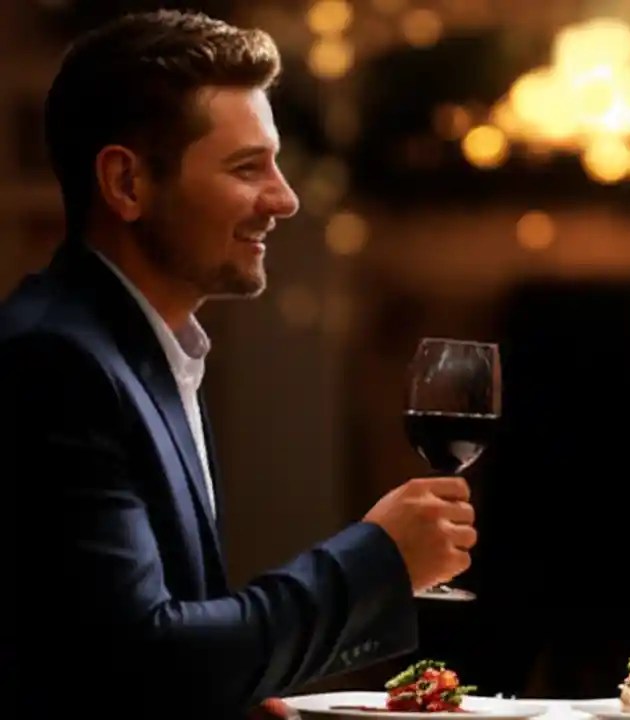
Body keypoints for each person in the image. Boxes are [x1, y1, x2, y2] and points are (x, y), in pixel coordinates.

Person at [0, 10, 476, 718]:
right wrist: (379, 561)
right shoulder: (58, 362)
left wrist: (236, 689)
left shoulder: (147, 350)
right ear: (126, 183)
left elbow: (117, 654)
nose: (283, 198)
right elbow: (146, 659)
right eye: (246, 167)